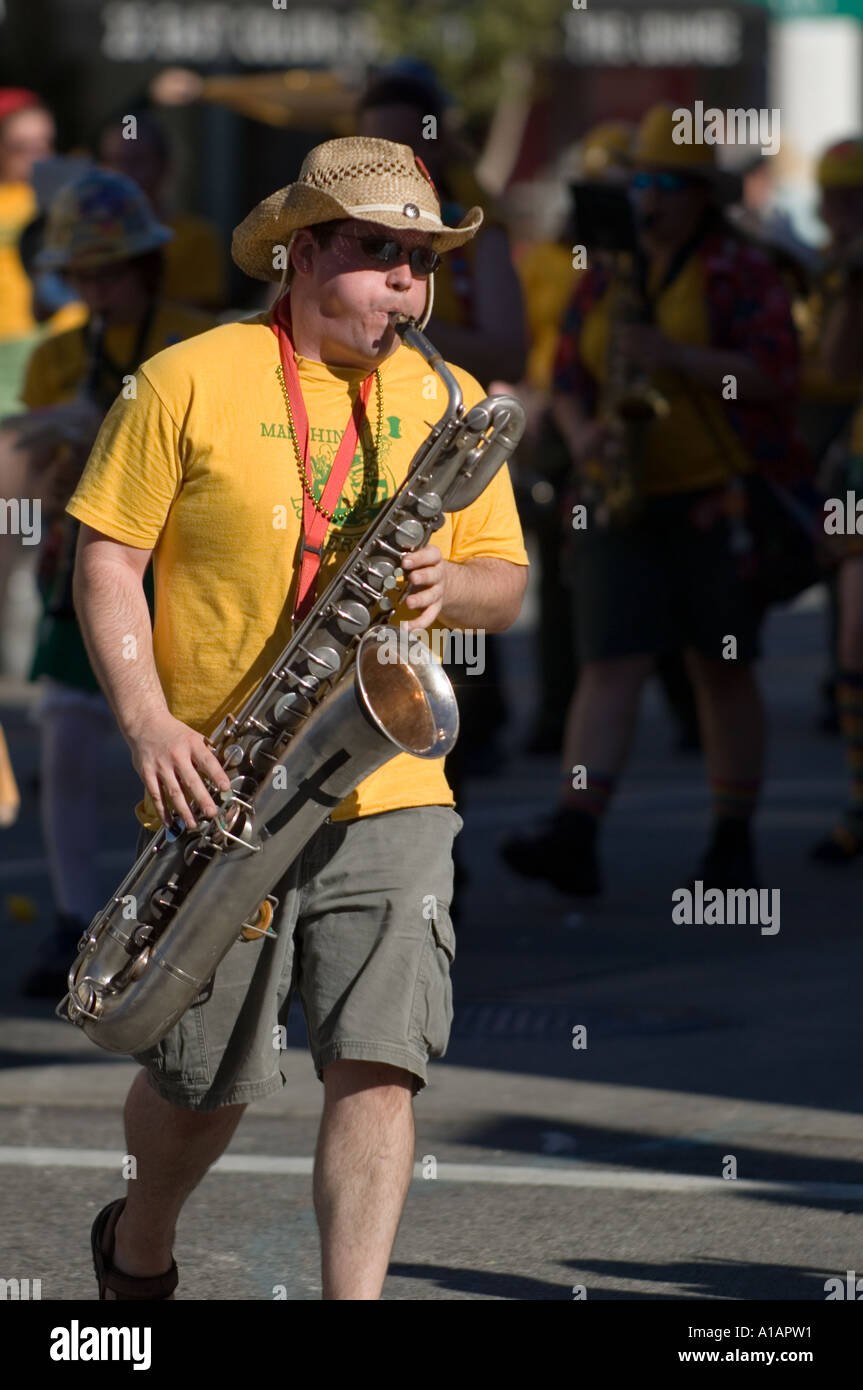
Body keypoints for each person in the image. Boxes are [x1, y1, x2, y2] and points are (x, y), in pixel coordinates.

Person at [65, 136, 528, 1299]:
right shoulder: (188, 376)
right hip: (220, 781)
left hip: (390, 778)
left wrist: (448, 585)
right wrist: (151, 728)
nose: (405, 286)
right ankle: (140, 1243)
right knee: (199, 1080)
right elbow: (106, 561)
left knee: (380, 1065)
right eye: (380, 255)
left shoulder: (448, 400)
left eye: (420, 261)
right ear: (303, 250)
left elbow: (506, 584)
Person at [502, 103, 801, 897]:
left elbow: (776, 375)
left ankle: (731, 840)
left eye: (669, 183)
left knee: (720, 669)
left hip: (715, 497)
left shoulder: (743, 269)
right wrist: (586, 432)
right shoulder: (611, 269)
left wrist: (678, 358)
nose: (651, 198)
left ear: (704, 194)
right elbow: (567, 372)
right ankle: (575, 829)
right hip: (622, 492)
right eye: (642, 182)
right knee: (609, 662)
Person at [9, 169, 214, 996]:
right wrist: (49, 479)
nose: (98, 290)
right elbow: (36, 492)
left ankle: (176, 925)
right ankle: (71, 918)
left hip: (178, 570)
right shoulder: (58, 356)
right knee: (64, 743)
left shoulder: (192, 341)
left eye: (113, 271)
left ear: (148, 266)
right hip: (82, 573)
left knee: (176, 749)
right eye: (83, 275)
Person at [99, 109, 227, 311]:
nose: (123, 172)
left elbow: (199, 317)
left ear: (164, 165)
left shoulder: (197, 237)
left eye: (136, 161)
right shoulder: (90, 233)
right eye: (114, 161)